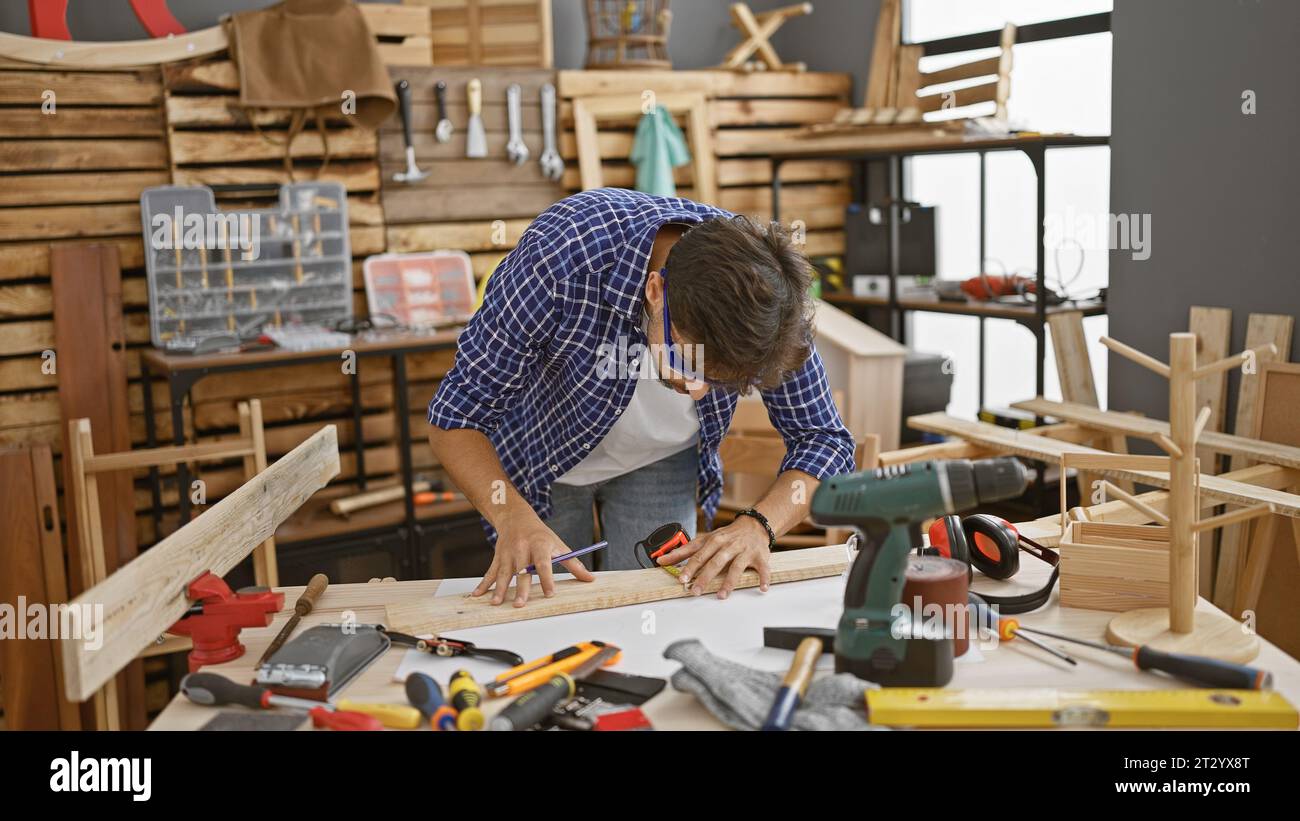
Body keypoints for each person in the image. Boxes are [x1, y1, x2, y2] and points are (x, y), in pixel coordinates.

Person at [427, 188, 855, 607]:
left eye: (722, 383)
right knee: (545, 613)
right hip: (541, 458)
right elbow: (457, 416)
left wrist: (759, 525)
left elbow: (824, 441)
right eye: (689, 366)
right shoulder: (560, 255)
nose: (697, 390)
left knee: (655, 609)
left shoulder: (771, 304)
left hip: (661, 459)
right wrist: (510, 517)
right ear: (656, 291)